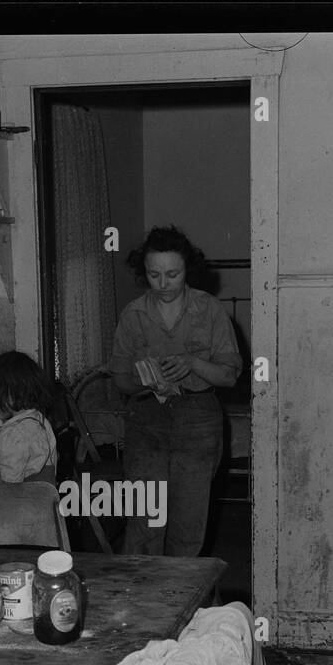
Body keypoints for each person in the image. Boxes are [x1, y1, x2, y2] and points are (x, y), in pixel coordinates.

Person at [109, 226, 241, 555]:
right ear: (144, 273)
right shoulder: (133, 315)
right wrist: (144, 380)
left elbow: (229, 376)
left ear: (187, 270)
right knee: (145, 521)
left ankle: (182, 602)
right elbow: (120, 380)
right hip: (146, 420)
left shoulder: (209, 310)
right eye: (154, 275)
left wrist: (193, 363)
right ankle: (142, 602)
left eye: (173, 274)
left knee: (188, 523)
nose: (164, 284)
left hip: (198, 420)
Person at [0, 350, 58, 485]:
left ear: (12, 395)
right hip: (44, 500)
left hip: (22, 503)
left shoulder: (16, 435)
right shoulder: (37, 419)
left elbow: (7, 491)